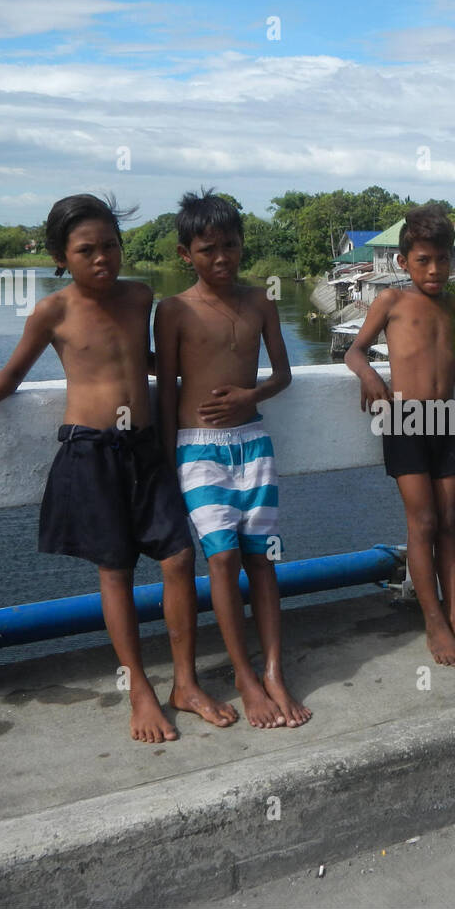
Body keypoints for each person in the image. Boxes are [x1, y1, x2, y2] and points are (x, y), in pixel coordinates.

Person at [0, 193, 236, 743]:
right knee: (116, 571)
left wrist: (214, 367)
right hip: (91, 450)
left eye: (110, 246)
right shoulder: (52, 312)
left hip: (146, 447)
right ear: (61, 256)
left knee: (178, 558)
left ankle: (184, 683)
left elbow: (152, 361)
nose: (102, 259)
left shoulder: (141, 296)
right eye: (86, 251)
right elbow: (14, 374)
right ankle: (139, 691)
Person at [155, 190, 310, 728]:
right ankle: (244, 676)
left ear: (243, 246)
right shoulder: (172, 310)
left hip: (253, 444)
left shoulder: (261, 302)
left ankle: (273, 672)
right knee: (220, 558)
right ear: (185, 255)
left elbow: (283, 375)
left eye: (230, 246)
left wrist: (251, 397)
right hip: (198, 449)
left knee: (262, 558)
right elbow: (167, 387)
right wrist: (164, 457)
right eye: (207, 249)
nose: (221, 258)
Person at [345, 204, 455, 667]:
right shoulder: (391, 302)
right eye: (423, 261)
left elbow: (450, 345)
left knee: (450, 521)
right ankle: (433, 624)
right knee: (423, 523)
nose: (434, 270)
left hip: (444, 420)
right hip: (406, 418)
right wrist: (370, 376)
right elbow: (354, 351)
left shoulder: (453, 303)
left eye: (443, 260)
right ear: (403, 262)